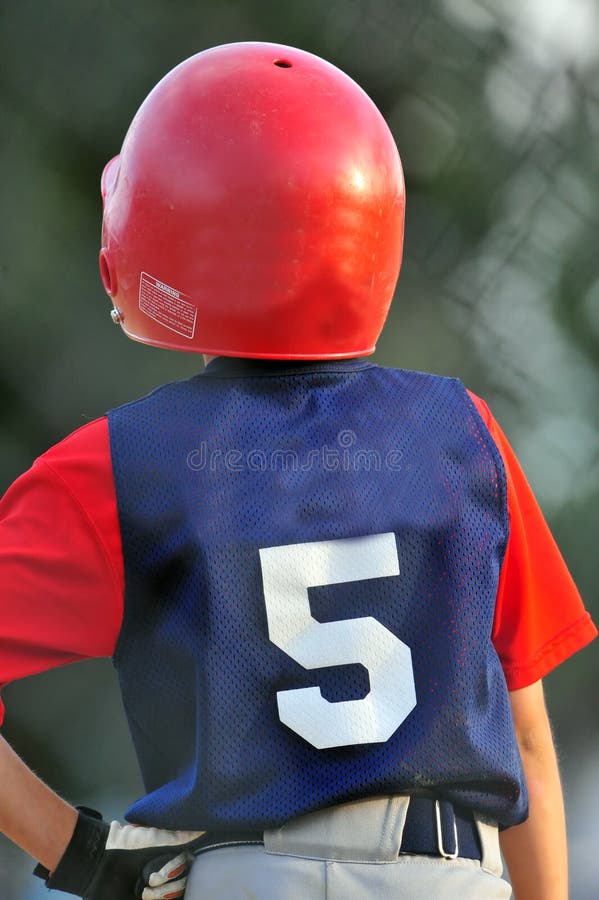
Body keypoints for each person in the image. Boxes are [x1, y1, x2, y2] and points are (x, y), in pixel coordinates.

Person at [0, 41, 596, 900]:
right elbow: (527, 740)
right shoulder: (455, 432)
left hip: (239, 876)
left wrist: (79, 852)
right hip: (444, 875)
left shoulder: (126, 461)